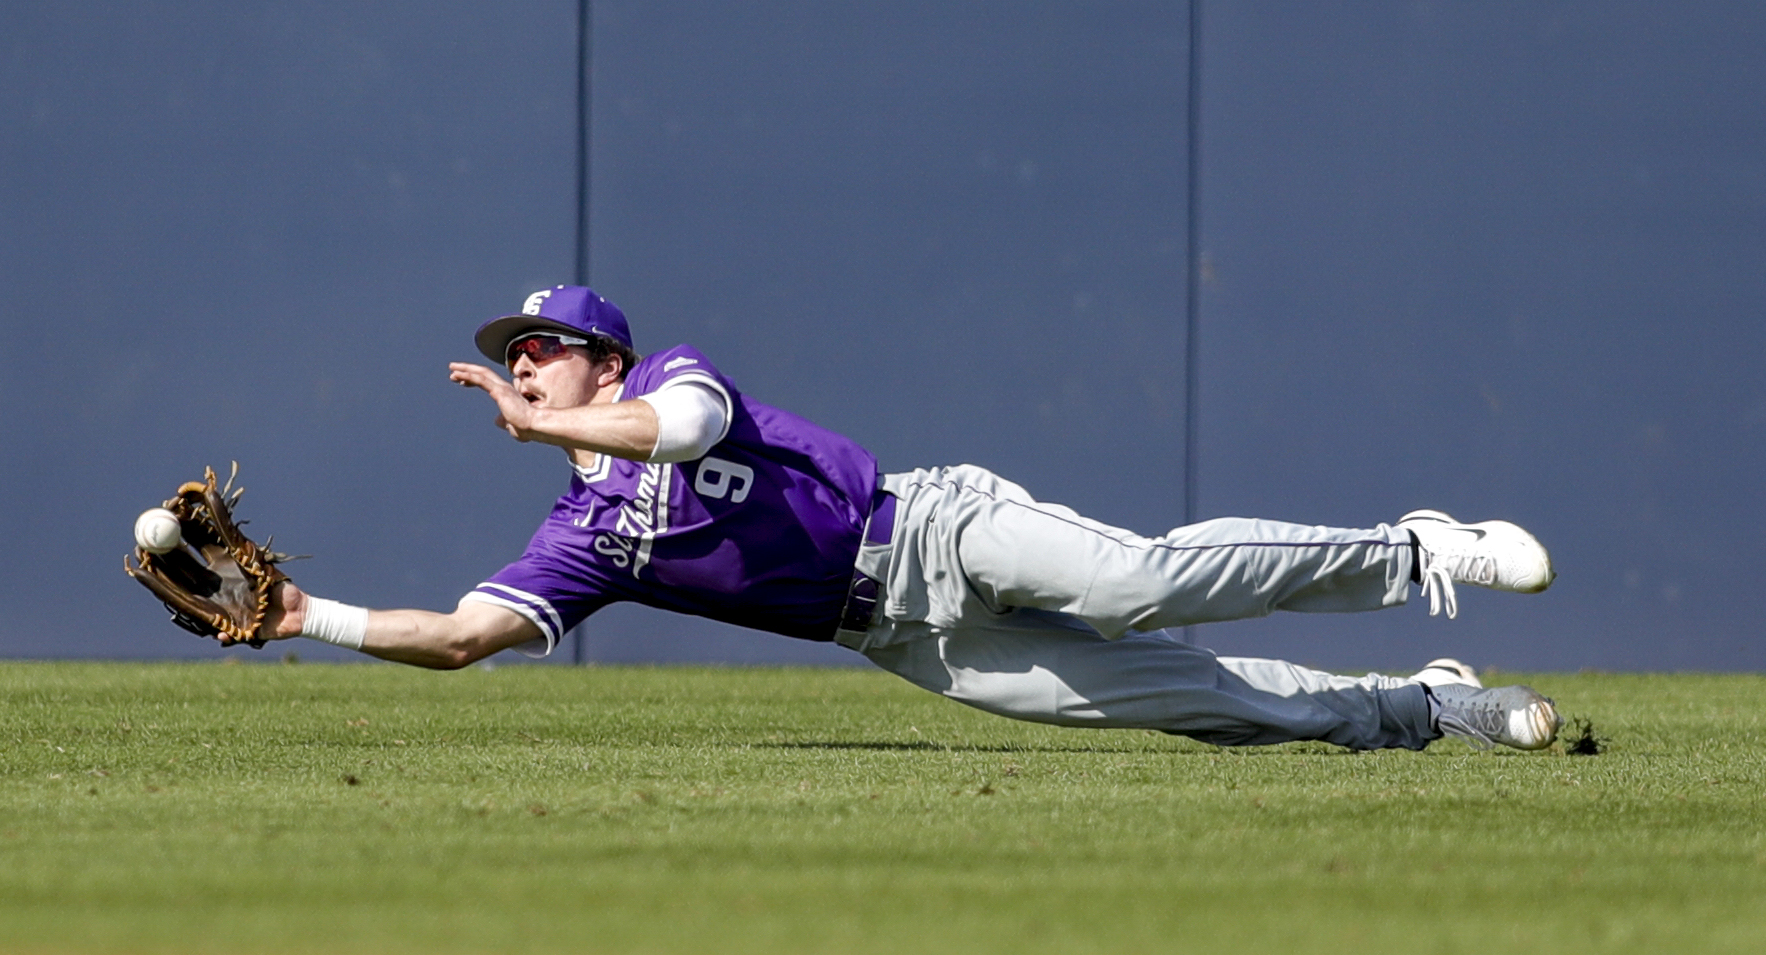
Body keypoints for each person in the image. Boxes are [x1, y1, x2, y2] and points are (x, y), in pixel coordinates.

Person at [253, 286, 1562, 752]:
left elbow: (690, 433)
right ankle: (1427, 706)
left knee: (1138, 581)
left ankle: (1411, 549)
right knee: (1207, 704)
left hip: (931, 526)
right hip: (902, 636)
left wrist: (545, 426)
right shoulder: (581, 540)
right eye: (513, 356)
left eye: (541, 348)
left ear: (606, 357)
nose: (522, 366)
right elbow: (463, 636)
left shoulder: (672, 377)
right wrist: (308, 615)